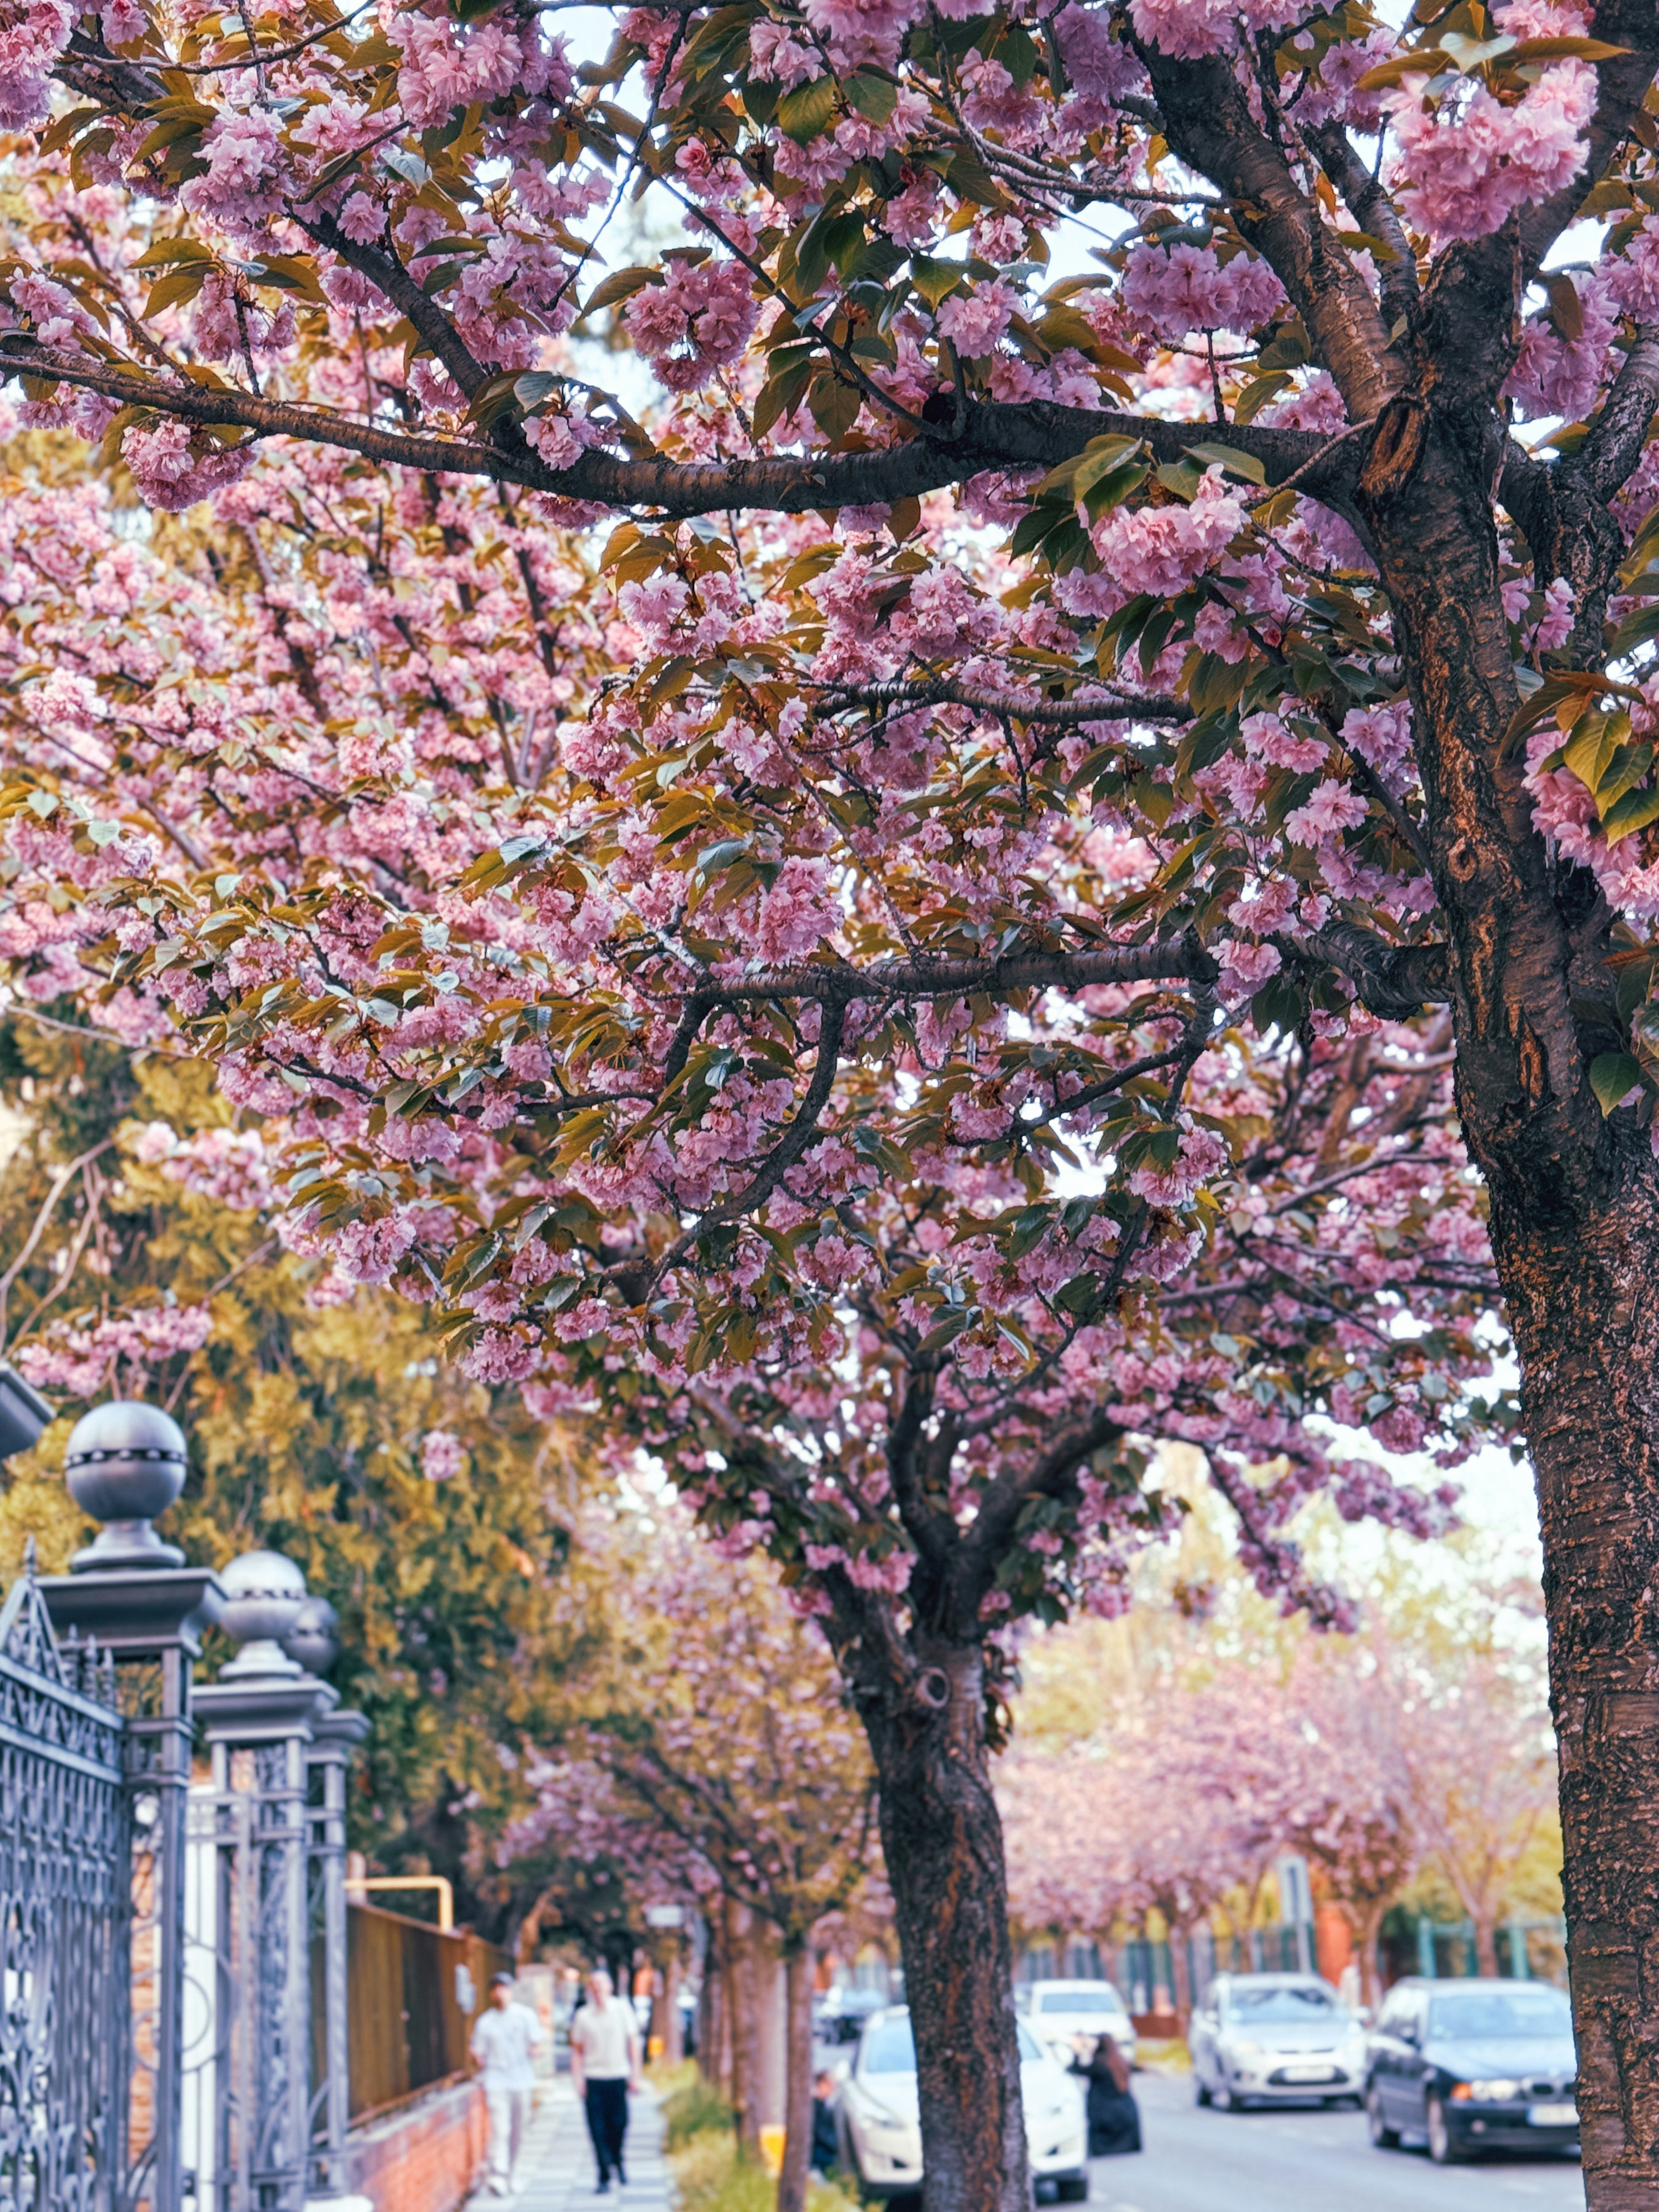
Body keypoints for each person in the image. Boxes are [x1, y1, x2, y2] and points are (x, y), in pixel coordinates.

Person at [470, 1971, 547, 2197]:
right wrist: (476, 2057)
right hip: (496, 2080)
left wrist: (534, 2051)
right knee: (500, 2128)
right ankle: (498, 2175)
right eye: (496, 1989)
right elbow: (479, 2052)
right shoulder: (485, 2022)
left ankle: (512, 2173)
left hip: (521, 2080)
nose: (500, 1993)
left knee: (518, 2130)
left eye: (504, 1988)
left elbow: (538, 2043)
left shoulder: (525, 2016)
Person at [569, 1967, 644, 2194]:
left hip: (618, 2076)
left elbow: (633, 2043)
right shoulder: (583, 2016)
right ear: (589, 1989)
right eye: (594, 1984)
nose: (598, 1989)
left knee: (619, 2124)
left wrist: (636, 2074)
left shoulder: (622, 2010)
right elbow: (577, 2051)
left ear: (610, 1987)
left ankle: (618, 2161)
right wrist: (577, 2080)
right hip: (594, 2078)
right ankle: (603, 2174)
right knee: (597, 2129)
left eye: (602, 1984)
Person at [1070, 2033, 1141, 2157]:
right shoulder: (1119, 2061)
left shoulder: (1100, 2064)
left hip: (1105, 2114)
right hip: (1125, 2112)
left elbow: (1075, 2070)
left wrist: (1077, 2052)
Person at [810, 2071, 840, 2176]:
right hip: (818, 2155)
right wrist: (835, 2145)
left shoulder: (824, 2105)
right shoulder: (814, 2105)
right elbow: (820, 2132)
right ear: (821, 2085)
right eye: (829, 2084)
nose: (832, 2088)